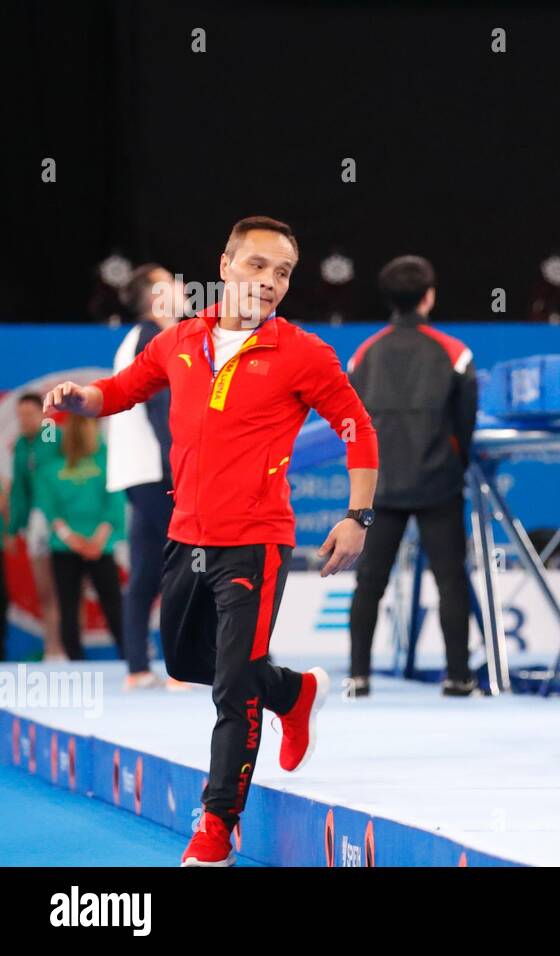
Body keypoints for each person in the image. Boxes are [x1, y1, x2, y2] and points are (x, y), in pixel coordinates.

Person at [43, 215, 380, 864]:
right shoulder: (178, 343)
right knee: (186, 665)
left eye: (282, 273)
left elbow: (357, 429)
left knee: (231, 690)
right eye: (257, 265)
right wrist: (80, 398)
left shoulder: (305, 354)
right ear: (223, 267)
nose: (270, 282)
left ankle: (216, 825)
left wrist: (357, 515)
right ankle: (293, 692)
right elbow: (121, 391)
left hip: (257, 541)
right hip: (185, 536)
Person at [346, 255, 478, 698]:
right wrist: (452, 463)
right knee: (450, 579)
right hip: (439, 482)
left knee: (370, 581)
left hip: (381, 486)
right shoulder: (455, 353)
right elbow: (466, 425)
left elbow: (353, 421)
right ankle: (458, 677)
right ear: (428, 296)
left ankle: (358, 676)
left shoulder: (364, 354)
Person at [106, 264, 187, 689]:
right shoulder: (156, 339)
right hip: (159, 470)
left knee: (146, 570)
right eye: (172, 283)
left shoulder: (134, 339)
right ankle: (181, 667)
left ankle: (137, 667)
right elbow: (162, 411)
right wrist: (185, 469)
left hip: (140, 470)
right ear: (157, 296)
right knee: (186, 564)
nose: (182, 286)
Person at [35, 414, 126, 660]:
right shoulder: (53, 458)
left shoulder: (103, 454)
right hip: (77, 544)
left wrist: (93, 537)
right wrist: (81, 538)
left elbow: (115, 497)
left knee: (103, 603)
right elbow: (47, 501)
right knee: (73, 604)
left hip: (92, 544)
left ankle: (128, 656)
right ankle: (80, 658)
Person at [7, 393, 64, 658]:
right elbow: (19, 488)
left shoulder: (51, 432)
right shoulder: (20, 445)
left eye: (30, 415)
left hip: (59, 522)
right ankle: (51, 648)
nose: (24, 421)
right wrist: (11, 528)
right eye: (20, 416)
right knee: (46, 590)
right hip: (35, 525)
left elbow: (55, 469)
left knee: (66, 588)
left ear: (42, 415)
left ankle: (65, 648)